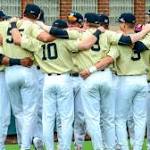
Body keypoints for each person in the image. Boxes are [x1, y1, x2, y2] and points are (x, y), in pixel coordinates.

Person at [80, 13, 149, 150]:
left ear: (123, 24)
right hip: (142, 80)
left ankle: (123, 147)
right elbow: (139, 45)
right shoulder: (146, 39)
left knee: (119, 118)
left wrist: (91, 69)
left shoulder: (118, 41)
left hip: (125, 81)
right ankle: (137, 147)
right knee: (140, 118)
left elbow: (111, 57)